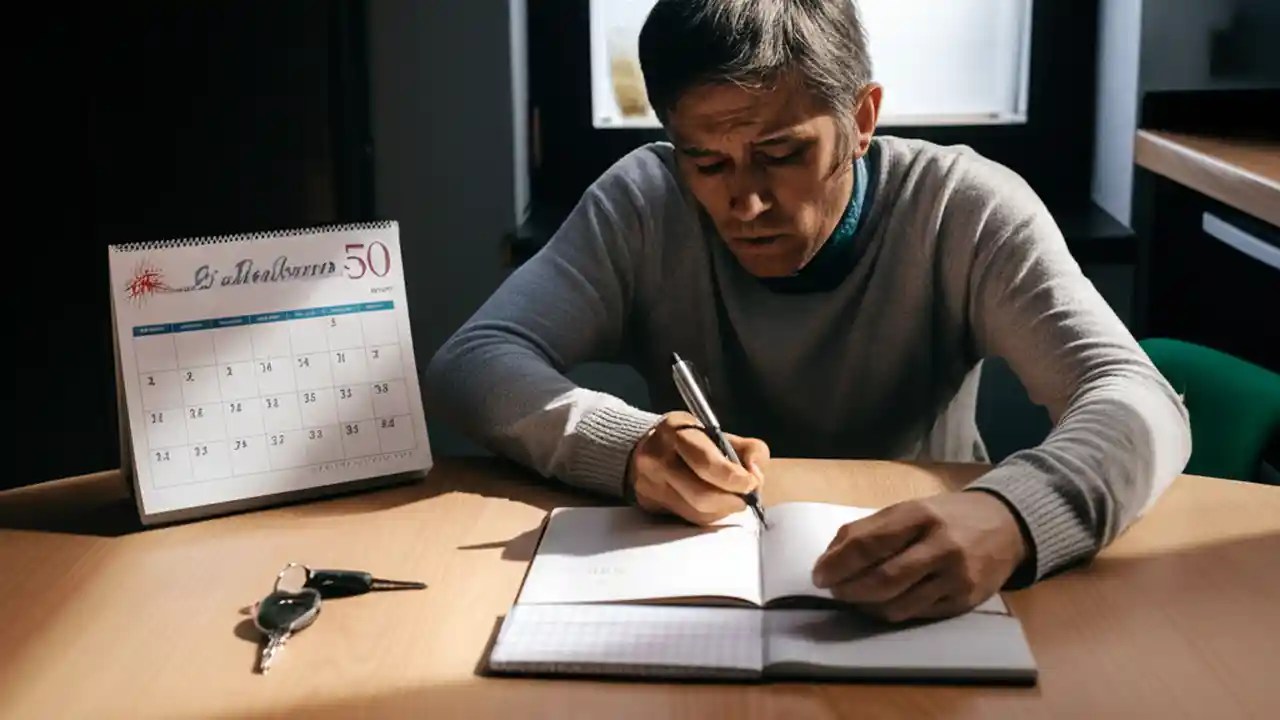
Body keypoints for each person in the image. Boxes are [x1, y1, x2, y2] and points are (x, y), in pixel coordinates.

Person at [426, 0, 1190, 622]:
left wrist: (1013, 515)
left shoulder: (961, 208)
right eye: (707, 161)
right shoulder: (644, 202)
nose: (745, 203)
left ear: (862, 118)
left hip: (929, 587)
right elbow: (474, 361)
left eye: (782, 155)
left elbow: (1136, 397)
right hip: (694, 583)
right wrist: (626, 448)